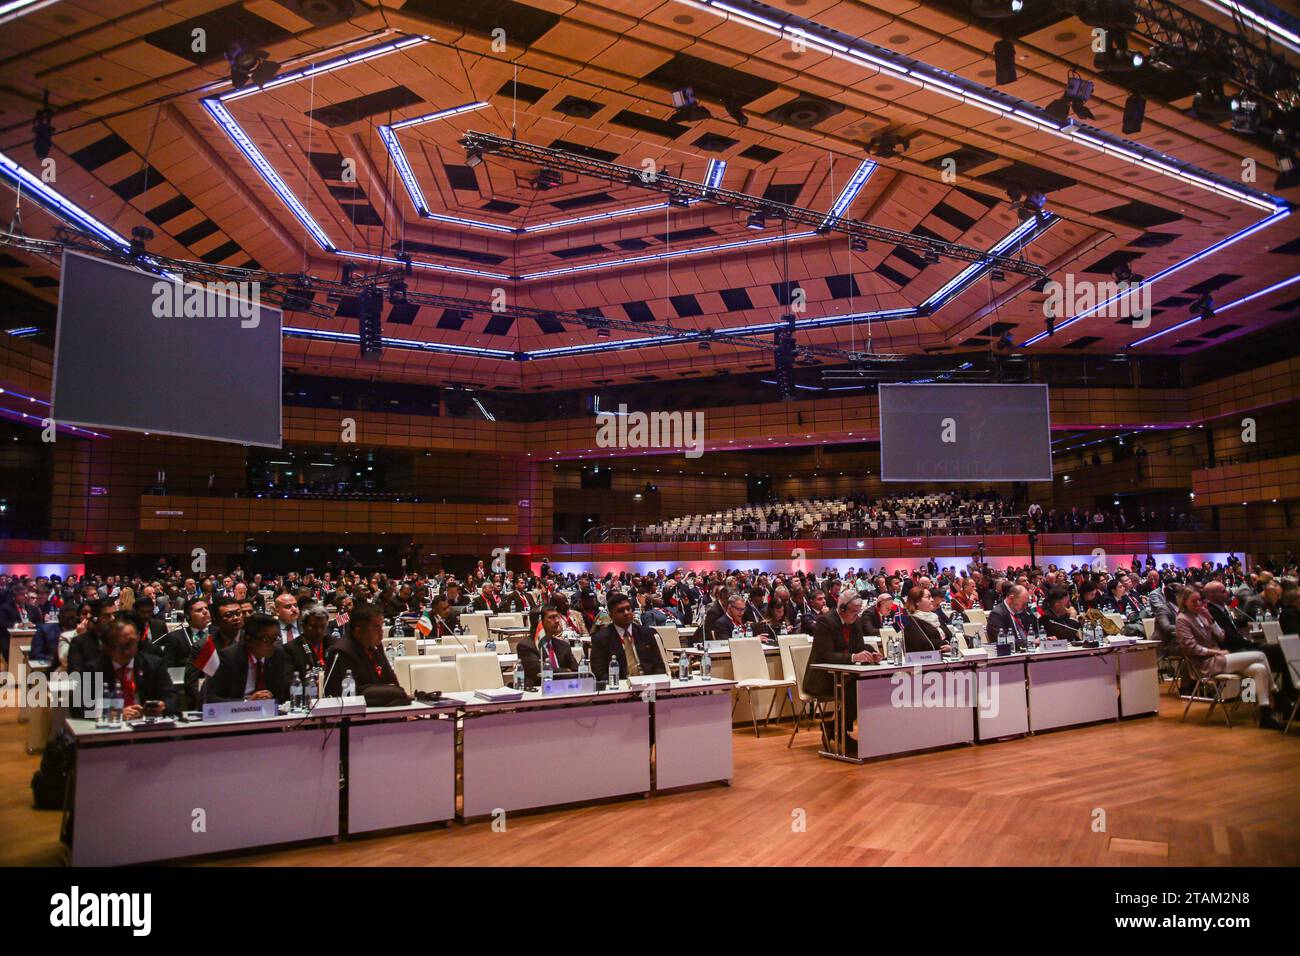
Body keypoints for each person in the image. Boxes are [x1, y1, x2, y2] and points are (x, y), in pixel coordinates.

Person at [1176, 587, 1281, 729]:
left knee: (1259, 669)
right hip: (1206, 664)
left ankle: (1266, 713)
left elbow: (1221, 636)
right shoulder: (1182, 620)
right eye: (1194, 601)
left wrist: (1210, 619)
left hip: (1219, 658)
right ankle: (1276, 693)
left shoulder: (1201, 615)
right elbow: (1191, 648)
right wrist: (1215, 652)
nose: (1198, 604)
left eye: (1199, 600)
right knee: (1261, 655)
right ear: (1184, 602)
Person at [803, 591, 882, 754]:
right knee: (855, 688)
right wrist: (854, 657)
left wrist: (872, 653)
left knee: (868, 683)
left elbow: (860, 646)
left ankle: (834, 728)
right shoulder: (825, 622)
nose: (856, 615)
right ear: (842, 608)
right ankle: (837, 730)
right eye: (854, 611)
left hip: (846, 676)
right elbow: (826, 655)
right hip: (822, 678)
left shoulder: (856, 622)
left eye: (858, 611)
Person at [87, 615, 179, 719]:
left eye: (131, 644)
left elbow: (172, 697)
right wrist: (113, 713)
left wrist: (163, 707)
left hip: (147, 727)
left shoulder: (154, 664)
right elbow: (78, 707)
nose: (127, 650)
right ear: (107, 647)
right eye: (121, 645)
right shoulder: (92, 669)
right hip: (110, 729)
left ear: (138, 638)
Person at [203, 613, 295, 704]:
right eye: (266, 640)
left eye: (276, 638)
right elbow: (209, 699)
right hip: (236, 714)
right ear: (248, 639)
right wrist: (247, 702)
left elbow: (283, 694)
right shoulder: (227, 657)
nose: (273, 644)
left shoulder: (278, 654)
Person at [324, 602, 402, 697]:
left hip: (380, 706)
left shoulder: (376, 646)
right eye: (376, 628)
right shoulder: (342, 652)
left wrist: (399, 693)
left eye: (381, 626)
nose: (381, 632)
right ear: (358, 631)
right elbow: (349, 694)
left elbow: (390, 679)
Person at [589, 591, 665, 684]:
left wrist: (654, 684)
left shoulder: (647, 633)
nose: (626, 613)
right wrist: (619, 686)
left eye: (628, 609)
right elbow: (599, 673)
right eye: (620, 610)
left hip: (648, 684)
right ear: (611, 616)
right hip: (619, 688)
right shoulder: (601, 639)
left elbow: (659, 665)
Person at [185, 597, 245, 705]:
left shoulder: (252, 640)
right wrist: (205, 703)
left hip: (252, 702)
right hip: (215, 704)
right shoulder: (205, 646)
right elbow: (192, 684)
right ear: (215, 620)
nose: (236, 618)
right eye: (228, 615)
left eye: (238, 613)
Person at [516, 602, 581, 688]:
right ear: (539, 622)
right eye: (552, 617)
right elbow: (540, 674)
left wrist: (561, 672)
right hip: (539, 694)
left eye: (557, 616)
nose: (557, 621)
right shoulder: (526, 646)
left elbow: (577, 672)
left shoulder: (563, 645)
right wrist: (566, 671)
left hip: (565, 691)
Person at [160, 597, 212, 668]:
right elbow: (168, 667)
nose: (205, 611)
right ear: (188, 617)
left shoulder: (218, 632)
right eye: (199, 610)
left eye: (206, 608)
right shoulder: (175, 638)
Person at [900, 587, 953, 653]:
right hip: (925, 659)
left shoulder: (935, 616)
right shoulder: (910, 620)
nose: (932, 600)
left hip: (946, 657)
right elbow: (925, 644)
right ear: (917, 602)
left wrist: (950, 645)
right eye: (928, 597)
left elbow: (950, 636)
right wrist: (946, 643)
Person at [286, 605, 334, 675]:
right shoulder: (290, 650)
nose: (319, 631)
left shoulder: (334, 644)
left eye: (323, 626)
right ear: (303, 626)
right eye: (314, 626)